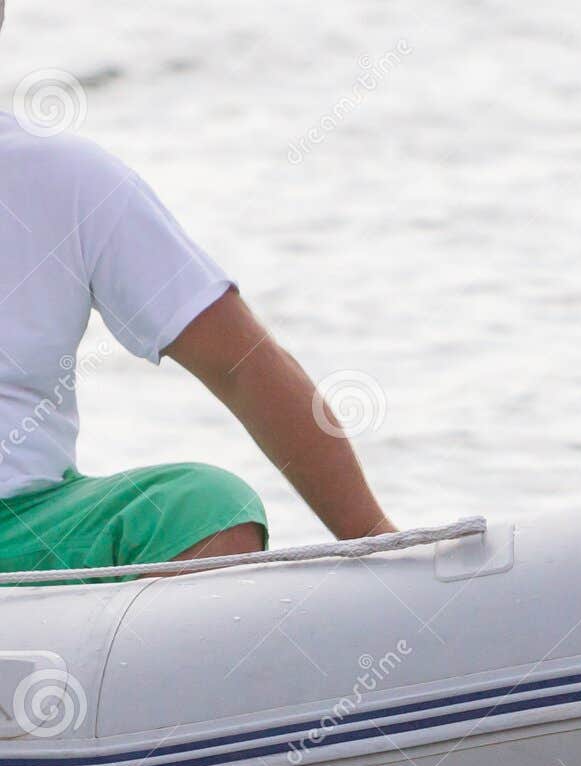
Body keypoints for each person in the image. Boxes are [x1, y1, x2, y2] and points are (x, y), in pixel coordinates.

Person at [0, 11, 393, 578]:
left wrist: (382, 545)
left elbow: (244, 366)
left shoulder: (67, 178)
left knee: (207, 507)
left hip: (30, 526)